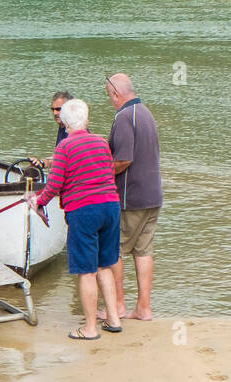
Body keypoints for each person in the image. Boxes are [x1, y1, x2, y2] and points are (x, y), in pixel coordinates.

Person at [32, 98, 122, 341]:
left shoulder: (65, 147)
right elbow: (107, 171)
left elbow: (55, 184)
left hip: (84, 211)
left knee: (86, 270)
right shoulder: (102, 143)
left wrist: (38, 201)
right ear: (87, 120)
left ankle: (90, 328)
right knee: (105, 265)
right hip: (111, 207)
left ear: (65, 122)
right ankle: (113, 318)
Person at [104, 73, 163, 321]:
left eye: (109, 96)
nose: (110, 101)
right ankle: (143, 308)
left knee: (114, 249)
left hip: (131, 197)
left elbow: (124, 159)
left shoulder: (124, 117)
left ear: (116, 94)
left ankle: (117, 305)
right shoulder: (146, 112)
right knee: (143, 250)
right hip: (153, 195)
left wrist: (100, 173)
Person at [29, 91, 72, 171]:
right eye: (53, 110)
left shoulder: (76, 130)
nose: (55, 113)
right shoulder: (63, 126)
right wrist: (41, 163)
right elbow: (58, 158)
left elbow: (65, 161)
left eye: (59, 109)